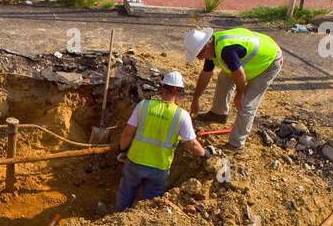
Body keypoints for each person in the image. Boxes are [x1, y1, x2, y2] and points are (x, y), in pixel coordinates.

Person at [115, 71, 207, 210]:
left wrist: (122, 149)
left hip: (135, 161)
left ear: (162, 88)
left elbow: (127, 133)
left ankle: (118, 214)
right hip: (159, 167)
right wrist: (205, 153)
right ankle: (144, 218)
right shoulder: (182, 116)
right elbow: (193, 144)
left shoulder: (144, 105)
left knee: (126, 192)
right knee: (151, 202)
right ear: (178, 92)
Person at [185, 26, 283, 152]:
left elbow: (239, 74)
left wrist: (239, 94)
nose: (199, 58)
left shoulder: (226, 50)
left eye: (199, 54)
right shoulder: (212, 47)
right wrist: (196, 99)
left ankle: (236, 144)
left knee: (246, 104)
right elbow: (205, 74)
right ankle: (218, 114)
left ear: (206, 47)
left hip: (268, 61)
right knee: (224, 78)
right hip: (248, 58)